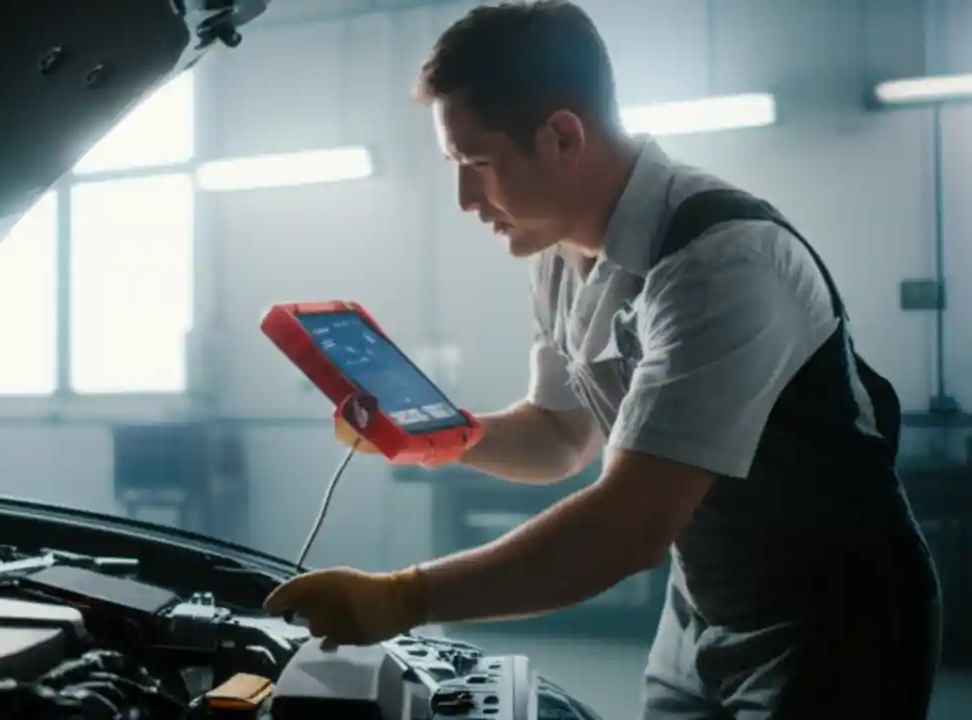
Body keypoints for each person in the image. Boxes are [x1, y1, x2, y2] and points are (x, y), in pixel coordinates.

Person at [262, 1, 943, 717]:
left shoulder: (723, 262)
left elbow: (628, 527)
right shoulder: (561, 261)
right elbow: (559, 438)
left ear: (562, 136)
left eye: (478, 163)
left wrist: (404, 598)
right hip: (702, 609)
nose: (464, 199)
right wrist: (434, 437)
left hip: (832, 618)